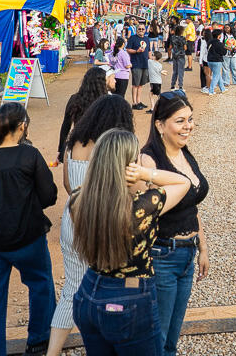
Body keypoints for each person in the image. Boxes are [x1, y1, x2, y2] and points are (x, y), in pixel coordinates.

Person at [70, 129, 192, 356]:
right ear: (129, 167)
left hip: (88, 292)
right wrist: (146, 173)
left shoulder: (78, 200)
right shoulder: (141, 207)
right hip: (130, 298)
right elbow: (183, 183)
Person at [0, 102, 58, 356]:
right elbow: (49, 196)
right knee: (41, 285)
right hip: (26, 238)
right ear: (23, 126)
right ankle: (39, 341)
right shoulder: (30, 155)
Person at [47, 94, 135, 356]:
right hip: (102, 221)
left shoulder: (74, 141)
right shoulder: (114, 147)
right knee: (111, 286)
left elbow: (66, 184)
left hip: (72, 218)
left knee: (72, 287)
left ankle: (52, 351)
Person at [139, 92, 210, 356]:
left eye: (190, 120)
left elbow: (192, 205)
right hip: (162, 255)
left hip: (187, 254)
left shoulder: (185, 154)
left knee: (172, 335)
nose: (188, 126)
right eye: (180, 121)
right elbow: (139, 216)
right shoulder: (148, 162)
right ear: (160, 125)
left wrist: (202, 246)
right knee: (158, 334)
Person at [57, 67, 113, 163]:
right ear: (102, 82)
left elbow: (65, 126)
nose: (114, 81)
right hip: (100, 147)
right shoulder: (106, 101)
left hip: (78, 147)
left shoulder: (75, 99)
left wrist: (61, 150)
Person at [128, 26, 150, 111]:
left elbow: (149, 51)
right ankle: (134, 103)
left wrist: (151, 60)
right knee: (135, 84)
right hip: (136, 64)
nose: (141, 30)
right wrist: (136, 51)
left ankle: (139, 101)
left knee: (141, 85)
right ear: (136, 30)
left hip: (145, 64)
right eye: (139, 29)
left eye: (142, 29)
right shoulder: (133, 38)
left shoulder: (147, 39)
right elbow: (128, 49)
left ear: (145, 30)